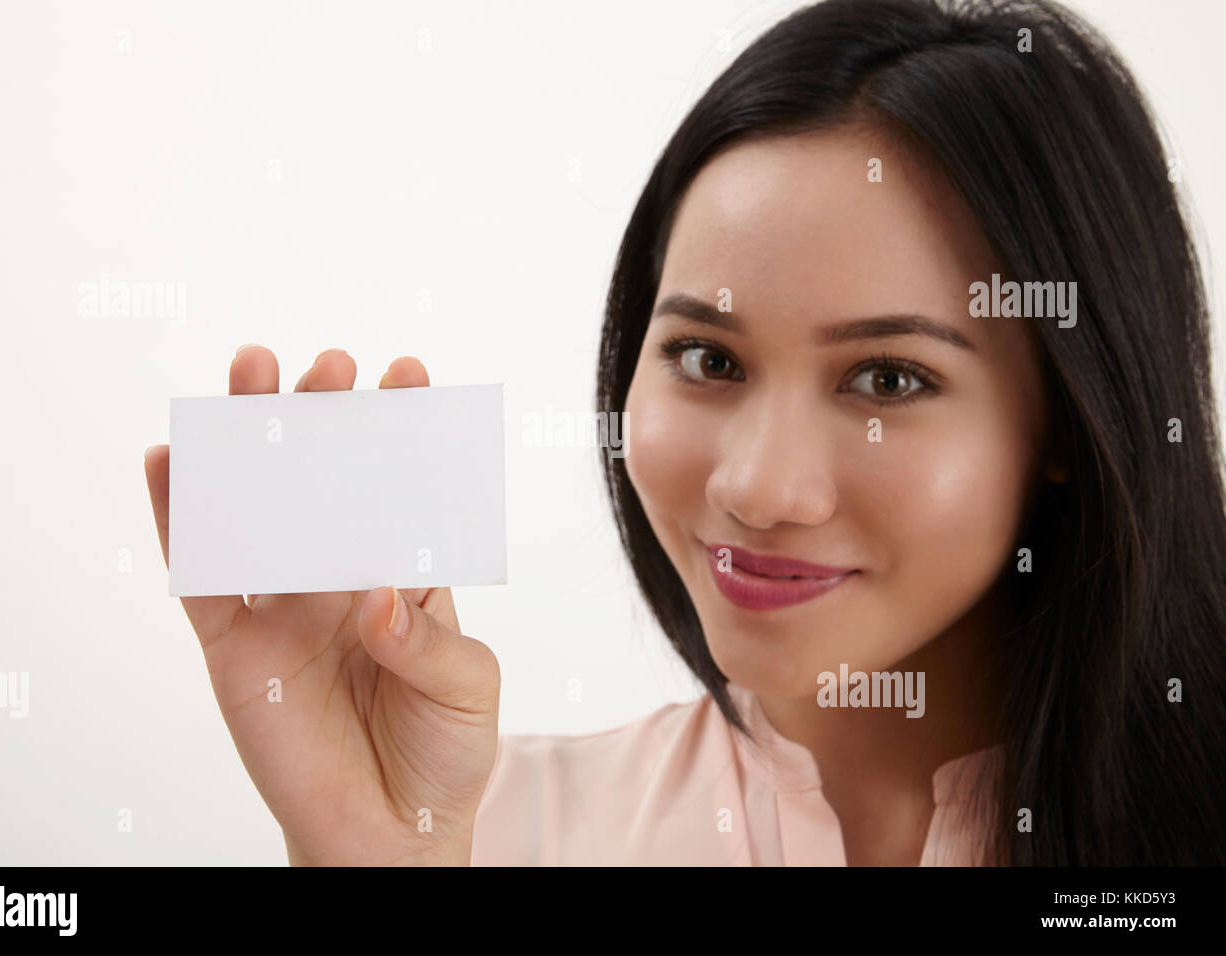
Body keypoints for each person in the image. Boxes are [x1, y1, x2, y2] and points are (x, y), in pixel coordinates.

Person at [143, 0, 1226, 865]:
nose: (757, 487)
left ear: (1073, 422)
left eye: (887, 378)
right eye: (708, 359)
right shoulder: (482, 829)